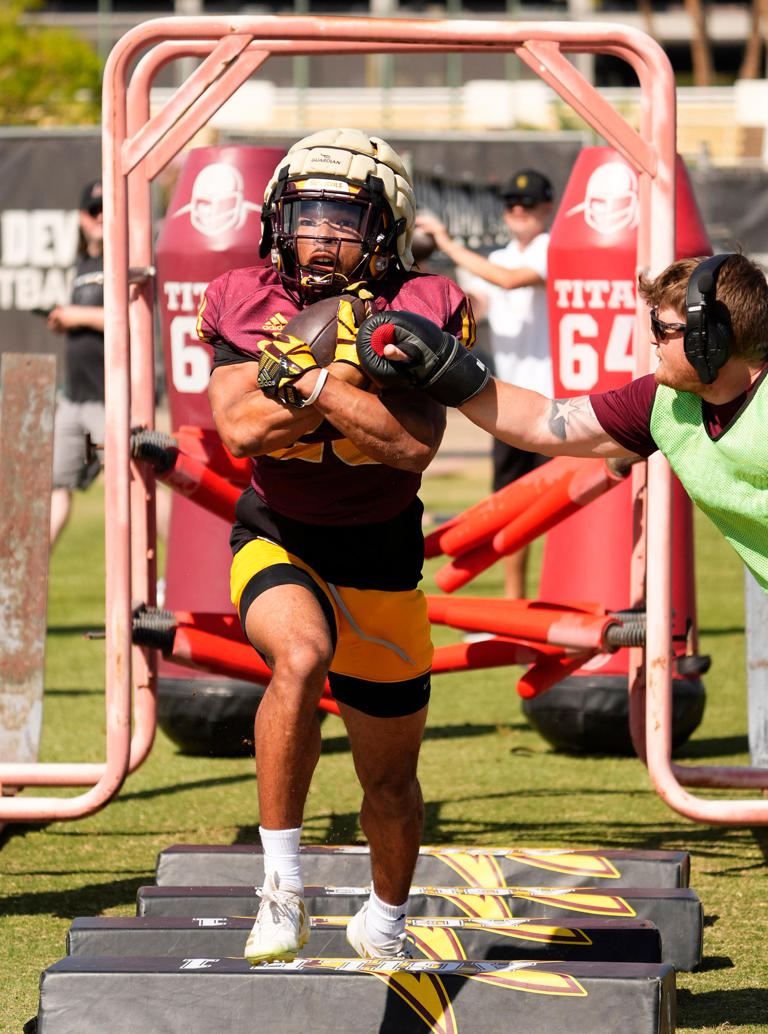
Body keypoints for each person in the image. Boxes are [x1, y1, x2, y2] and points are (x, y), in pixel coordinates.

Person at [198, 128, 476, 964]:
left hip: (383, 552)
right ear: (276, 218)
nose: (319, 235)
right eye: (305, 215)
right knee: (300, 655)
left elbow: (411, 446)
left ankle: (383, 921)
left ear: (384, 225)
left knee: (389, 784)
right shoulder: (239, 295)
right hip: (279, 529)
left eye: (342, 218)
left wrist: (311, 377)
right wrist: (352, 372)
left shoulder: (428, 300)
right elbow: (241, 427)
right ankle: (281, 891)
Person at [355, 251, 768, 598]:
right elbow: (542, 422)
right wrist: (441, 369)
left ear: (710, 340)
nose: (652, 339)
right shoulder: (664, 402)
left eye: (664, 328)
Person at [416, 169, 555, 598]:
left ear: (547, 208)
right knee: (508, 507)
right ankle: (514, 604)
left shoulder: (553, 249)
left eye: (528, 204)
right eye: (512, 204)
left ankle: (563, 595)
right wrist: (417, 278)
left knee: (561, 508)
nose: (518, 211)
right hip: (509, 401)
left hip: (555, 401)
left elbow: (509, 281)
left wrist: (445, 244)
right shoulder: (498, 257)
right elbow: (474, 306)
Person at [48, 180, 105, 547]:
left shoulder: (122, 262)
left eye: (106, 210)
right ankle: (23, 587)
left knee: (134, 484)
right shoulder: (82, 264)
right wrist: (63, 319)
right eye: (94, 211)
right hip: (75, 401)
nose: (101, 218)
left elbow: (128, 320)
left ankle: (178, 568)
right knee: (54, 486)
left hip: (109, 400)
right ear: (83, 218)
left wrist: (75, 315)